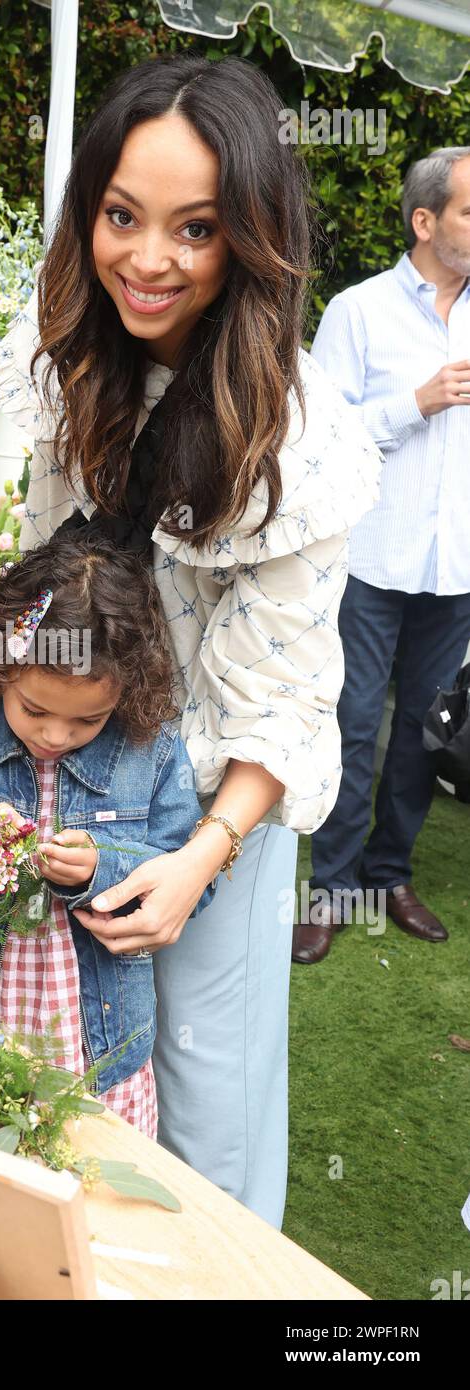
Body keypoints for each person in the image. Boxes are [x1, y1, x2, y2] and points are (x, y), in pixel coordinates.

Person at [0, 54, 382, 1226]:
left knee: (206, 1108)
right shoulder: (59, 355)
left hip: (221, 811)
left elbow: (285, 693)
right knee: (58, 1065)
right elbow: (42, 581)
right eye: (121, 215)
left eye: (194, 228)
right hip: (77, 777)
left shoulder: (295, 437)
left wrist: (199, 856)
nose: (146, 258)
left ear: (248, 238)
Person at [0, 532, 215, 1137]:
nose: (56, 736)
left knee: (95, 1181)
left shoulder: (154, 749)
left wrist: (100, 870)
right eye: (34, 710)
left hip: (100, 1045)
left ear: (126, 691)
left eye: (87, 719)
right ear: (1, 667)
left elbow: (191, 883)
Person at [294, 146, 470, 965]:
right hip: (369, 560)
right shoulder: (357, 312)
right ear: (425, 220)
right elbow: (318, 440)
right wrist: (416, 402)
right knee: (354, 725)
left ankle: (390, 873)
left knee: (427, 737)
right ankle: (332, 888)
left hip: (458, 568)